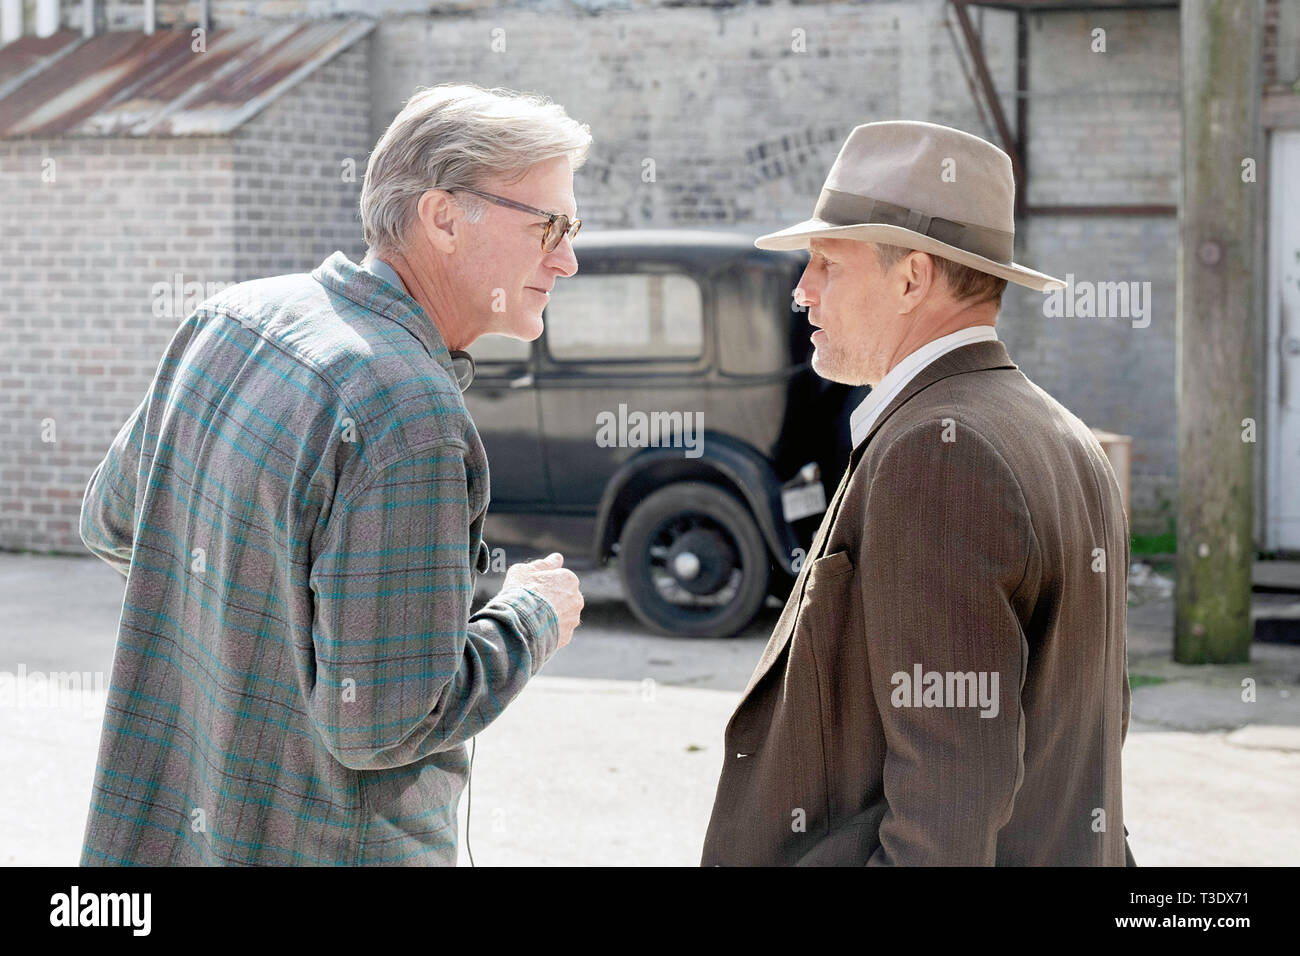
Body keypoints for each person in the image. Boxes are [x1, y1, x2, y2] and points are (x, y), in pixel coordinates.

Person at [78, 83, 588, 865]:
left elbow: (113, 523)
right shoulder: (408, 415)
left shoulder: (232, 317)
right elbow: (385, 725)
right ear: (443, 217)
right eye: (550, 224)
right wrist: (532, 617)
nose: (568, 258)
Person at [701, 120, 1136, 866]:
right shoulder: (1057, 430)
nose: (801, 293)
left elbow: (948, 800)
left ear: (911, 279)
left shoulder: (942, 453)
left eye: (826, 264)